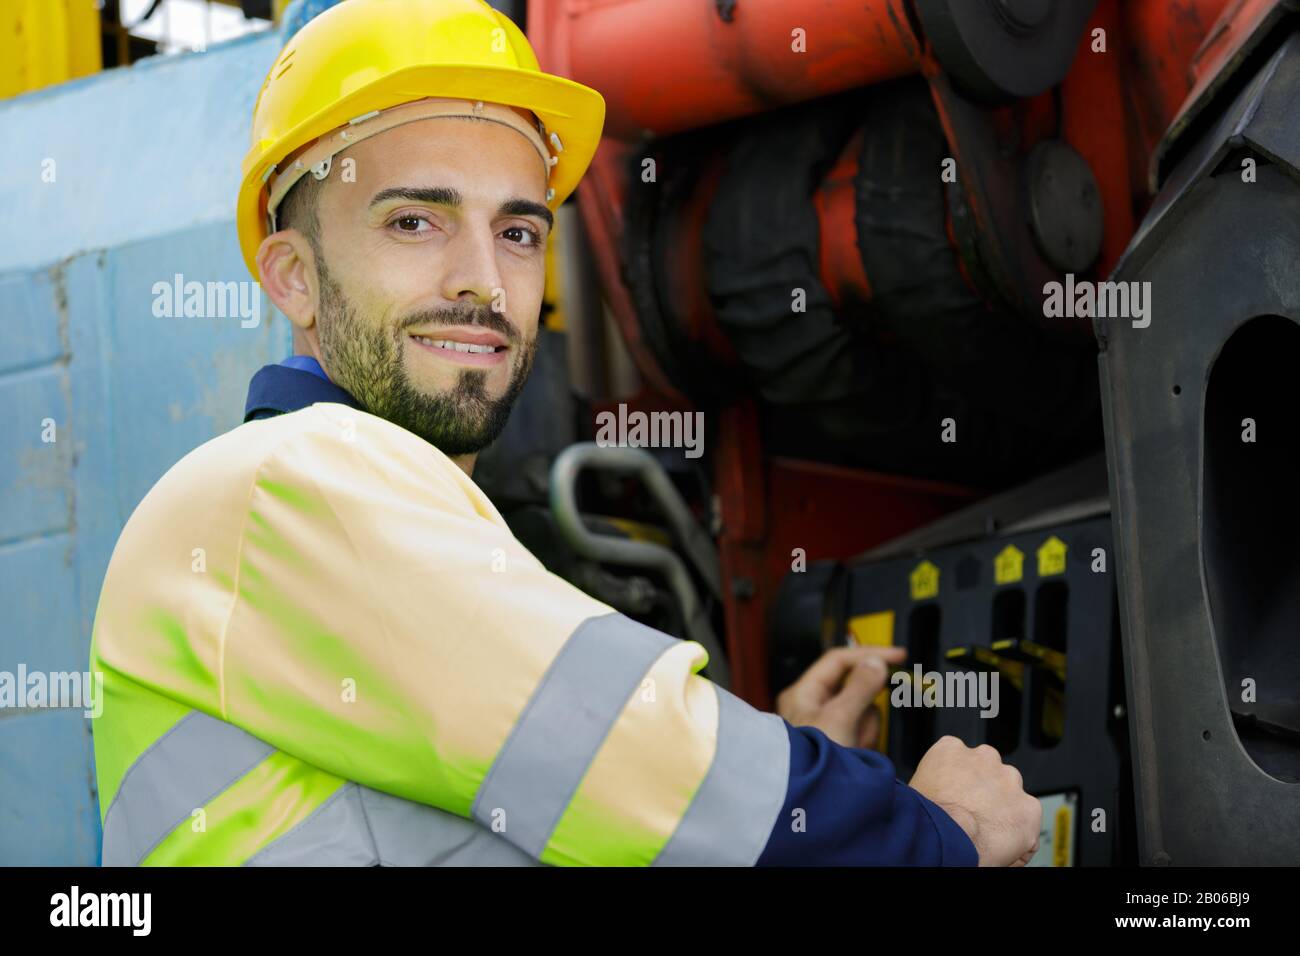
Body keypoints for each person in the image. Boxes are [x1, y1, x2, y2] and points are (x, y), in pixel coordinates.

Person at [89, 0, 1040, 866]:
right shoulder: (284, 481)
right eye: (416, 221)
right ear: (292, 276)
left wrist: (763, 745)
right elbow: (639, 762)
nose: (482, 281)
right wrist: (932, 835)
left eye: (518, 231)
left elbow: (566, 798)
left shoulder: (372, 528)